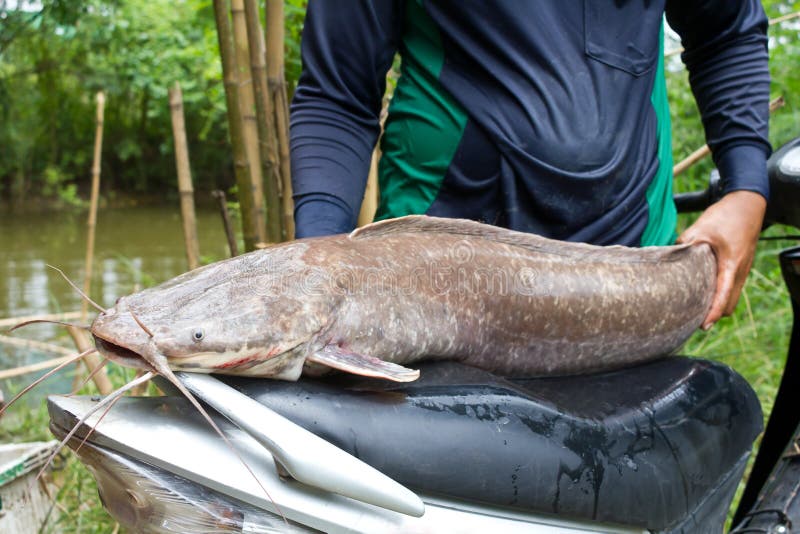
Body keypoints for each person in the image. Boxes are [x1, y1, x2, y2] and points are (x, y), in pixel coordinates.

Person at [289, 1, 770, 331]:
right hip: (437, 281)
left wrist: (746, 187)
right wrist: (315, 268)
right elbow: (339, 94)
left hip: (636, 272)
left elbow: (726, 31)